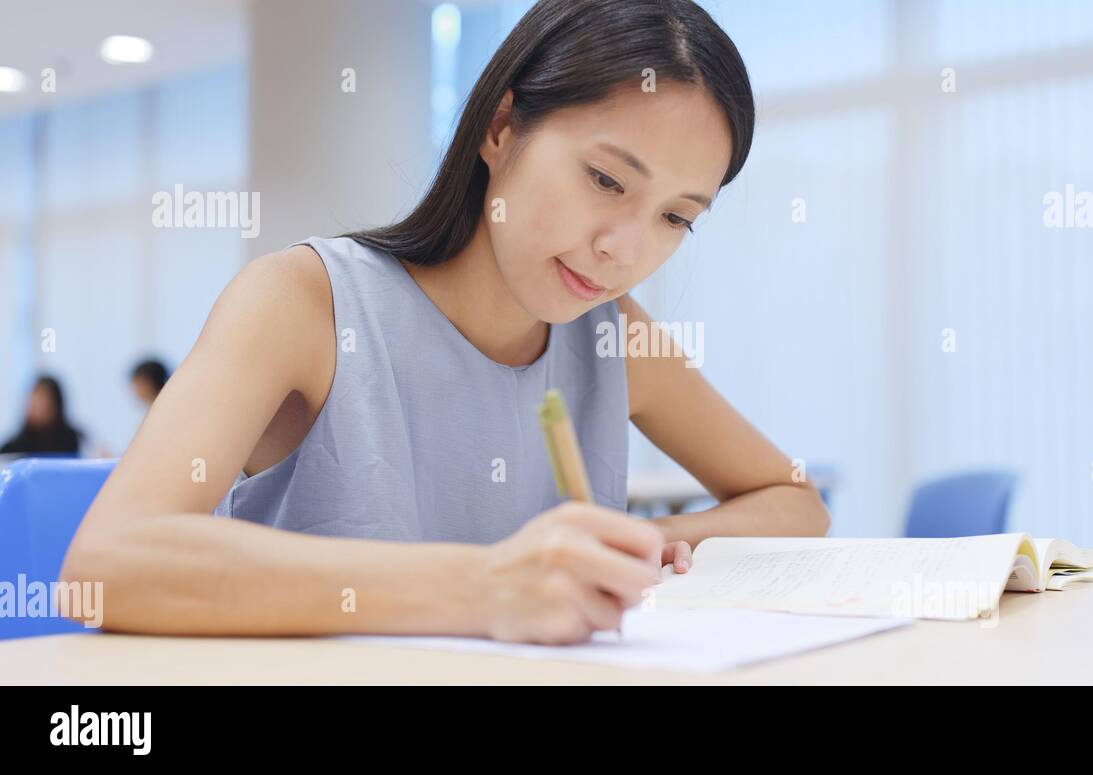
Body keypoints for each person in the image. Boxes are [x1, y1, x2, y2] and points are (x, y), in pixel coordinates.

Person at [61, 0, 828, 644]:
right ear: (501, 128)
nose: (622, 248)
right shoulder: (304, 301)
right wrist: (488, 584)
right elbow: (104, 564)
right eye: (604, 178)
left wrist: (634, 551)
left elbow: (794, 502)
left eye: (674, 217)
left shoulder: (612, 332)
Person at [1, 375, 82, 456]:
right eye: (33, 400)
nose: (34, 406)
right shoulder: (13, 448)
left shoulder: (72, 440)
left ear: (55, 405)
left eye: (42, 399)